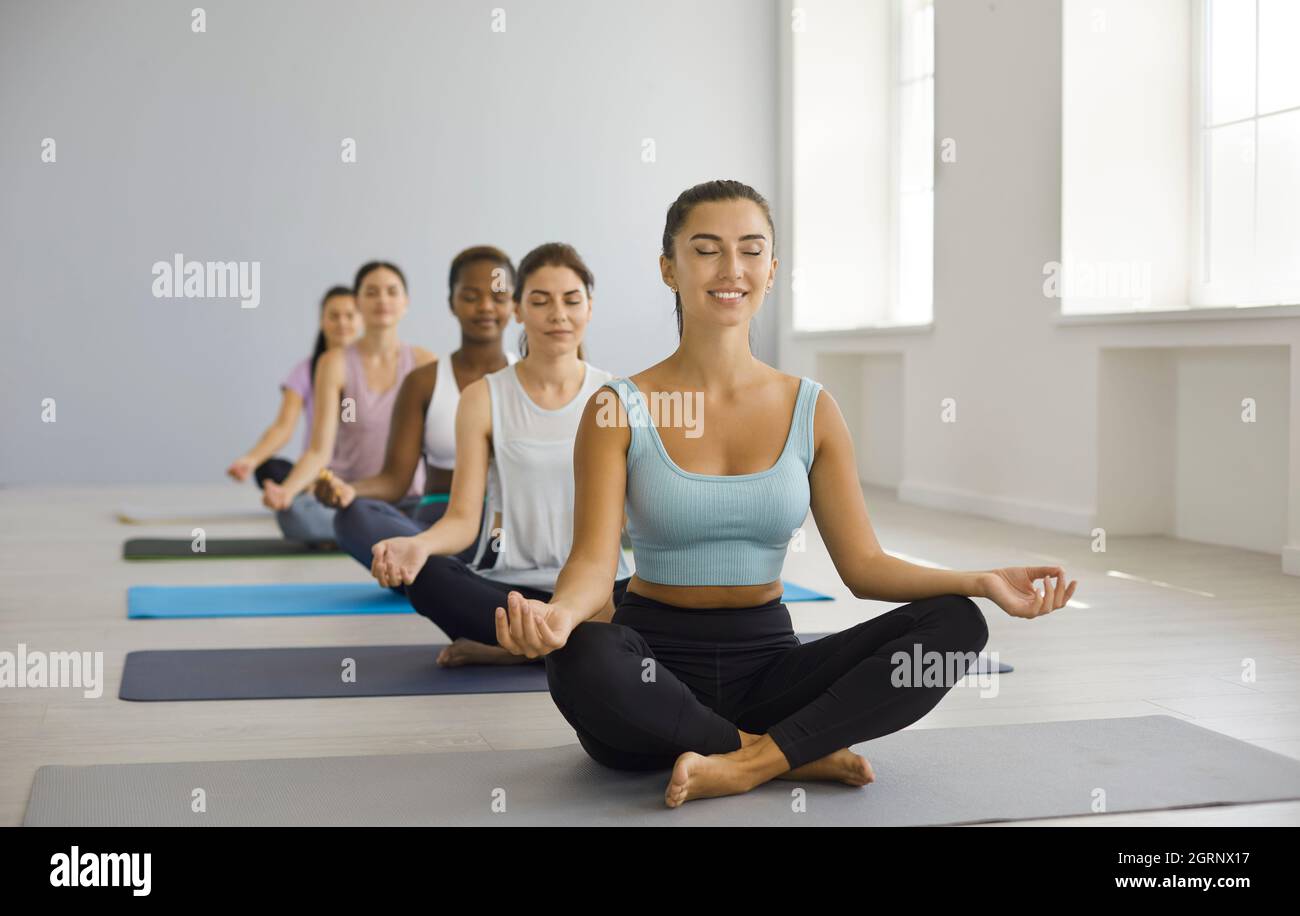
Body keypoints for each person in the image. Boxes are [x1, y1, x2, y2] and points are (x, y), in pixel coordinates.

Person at [490, 179, 1078, 807]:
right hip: (649, 676)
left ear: (772, 270)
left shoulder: (813, 409)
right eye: (707, 249)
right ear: (669, 269)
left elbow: (865, 568)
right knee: (581, 655)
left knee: (956, 624)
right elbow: (592, 565)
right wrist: (558, 616)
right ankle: (780, 753)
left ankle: (751, 760)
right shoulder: (617, 408)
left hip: (771, 670)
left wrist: (978, 580)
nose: (731, 269)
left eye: (750, 250)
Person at [366, 243, 635, 668]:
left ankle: (518, 649)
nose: (558, 314)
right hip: (512, 592)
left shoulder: (616, 396)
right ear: (518, 310)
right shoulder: (483, 398)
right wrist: (416, 546)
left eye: (571, 300)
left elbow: (631, 521)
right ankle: (553, 644)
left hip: (598, 591)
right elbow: (461, 520)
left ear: (589, 307)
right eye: (540, 301)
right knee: (429, 577)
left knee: (658, 602)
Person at [316, 247, 520, 568]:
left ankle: (433, 573)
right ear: (451, 302)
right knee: (353, 516)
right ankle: (435, 565)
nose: (485, 307)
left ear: (515, 303)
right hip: (436, 525)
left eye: (498, 296)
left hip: (509, 527)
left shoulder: (531, 376)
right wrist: (347, 490)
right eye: (470, 296)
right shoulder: (423, 382)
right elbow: (394, 481)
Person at [261, 262, 433, 543]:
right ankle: (387, 531)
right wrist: (287, 491)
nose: (383, 300)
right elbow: (318, 450)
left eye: (392, 292)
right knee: (296, 515)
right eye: (372, 292)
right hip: (349, 495)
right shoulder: (335, 363)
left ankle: (375, 531)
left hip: (411, 498)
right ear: (358, 302)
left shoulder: (425, 362)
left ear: (406, 302)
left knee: (441, 514)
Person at [226, 286, 359, 489]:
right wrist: (251, 459)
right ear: (322, 321)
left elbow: (351, 424)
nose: (342, 322)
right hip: (317, 470)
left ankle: (317, 490)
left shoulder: (367, 373)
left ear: (362, 319)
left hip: (360, 469)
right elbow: (283, 427)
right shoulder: (306, 370)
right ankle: (309, 487)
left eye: (350, 315)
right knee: (269, 468)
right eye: (334, 316)